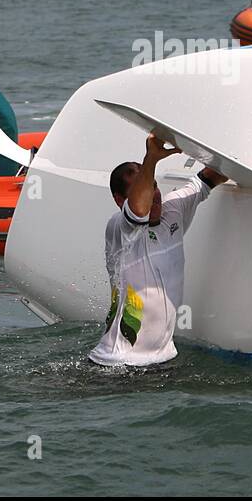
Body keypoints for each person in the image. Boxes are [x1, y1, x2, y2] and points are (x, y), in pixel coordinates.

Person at [90, 135, 228, 368]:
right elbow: (138, 209)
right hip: (117, 364)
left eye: (154, 186)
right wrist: (151, 159)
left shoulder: (173, 211)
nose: (153, 195)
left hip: (164, 359)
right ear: (119, 200)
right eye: (140, 189)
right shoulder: (120, 229)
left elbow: (212, 177)